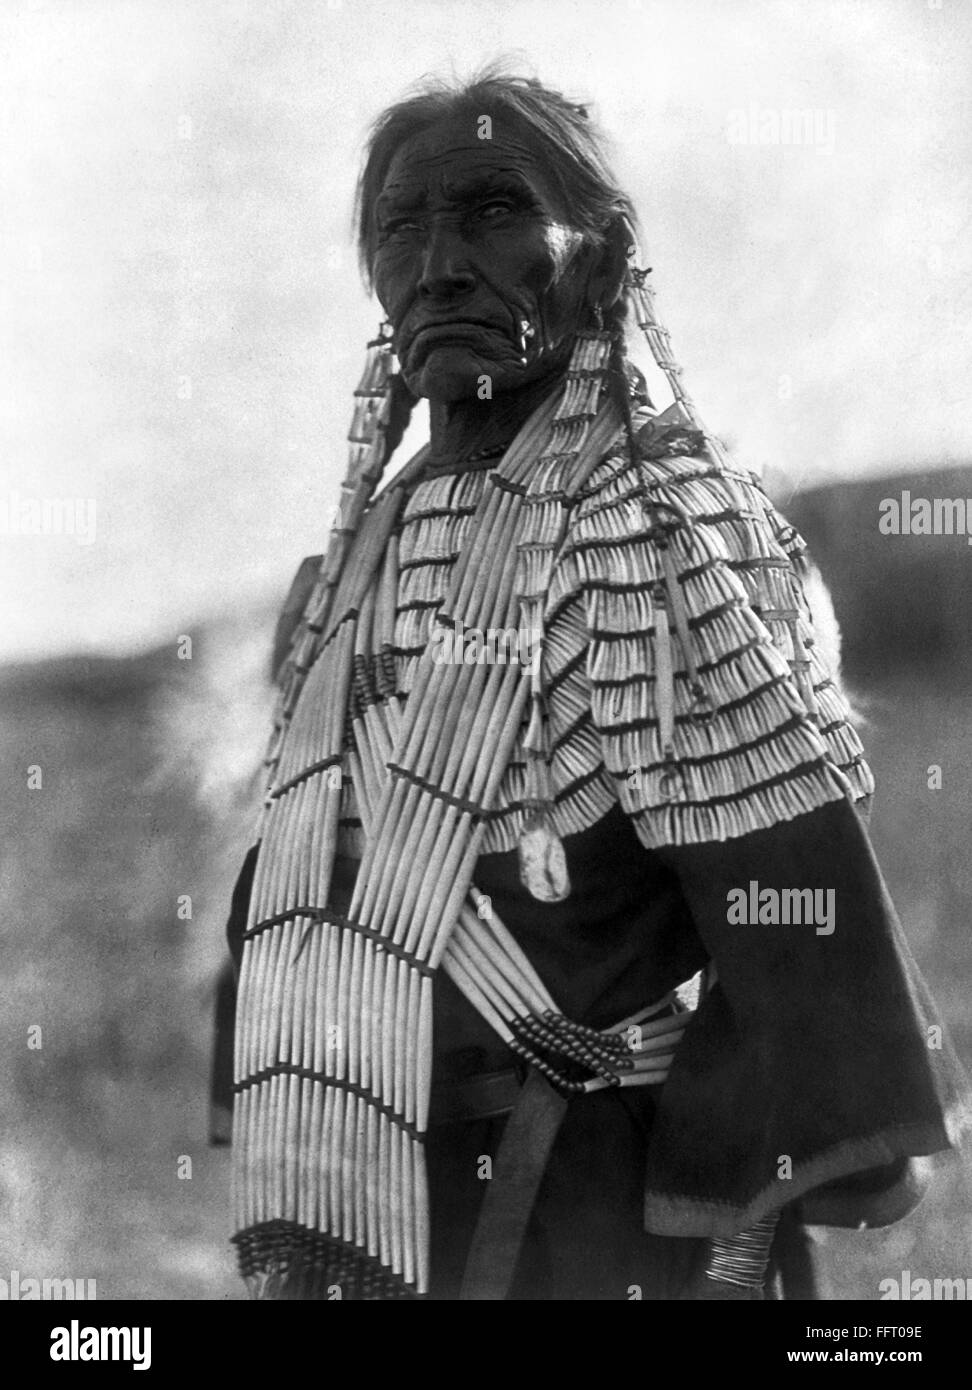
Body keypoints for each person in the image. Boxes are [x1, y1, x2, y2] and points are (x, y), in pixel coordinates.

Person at [220, 70, 971, 1300]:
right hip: (370, 1191)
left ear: (603, 259)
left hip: (588, 1204)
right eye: (405, 228)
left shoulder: (663, 525)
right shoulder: (358, 551)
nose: (443, 264)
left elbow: (795, 904)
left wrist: (735, 1224)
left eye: (493, 213)